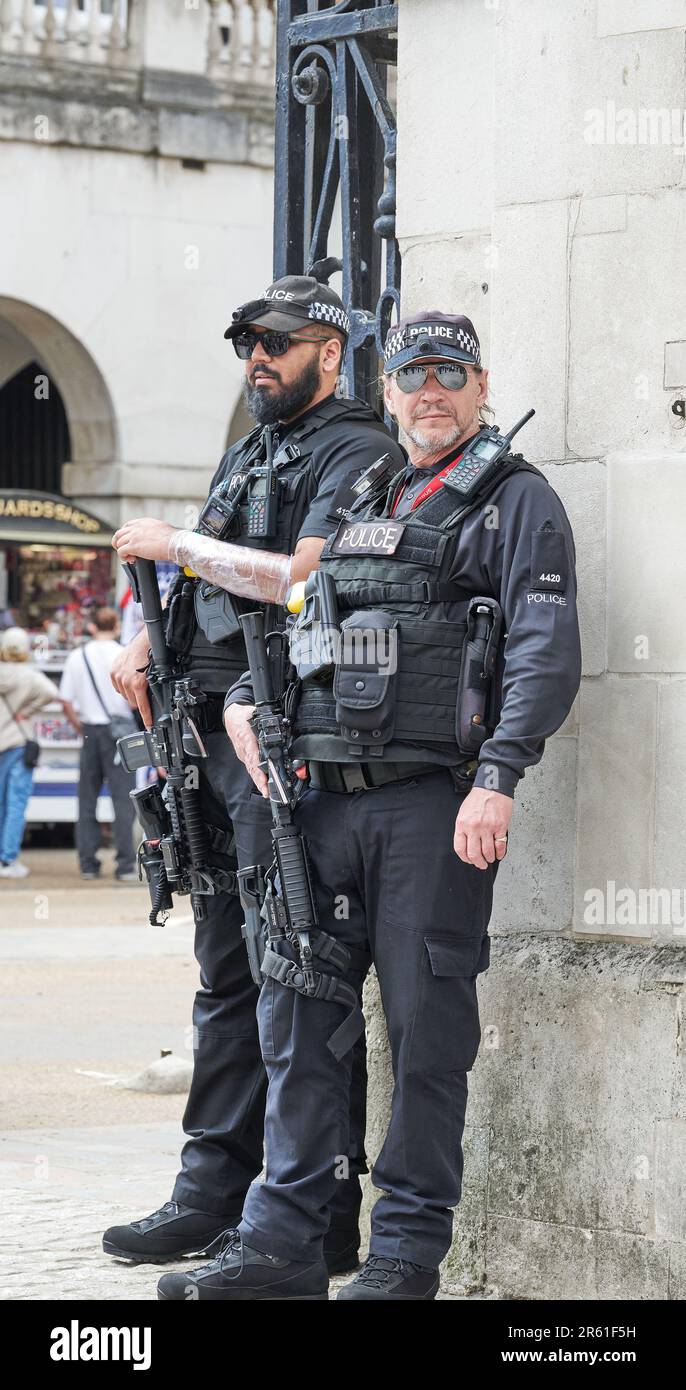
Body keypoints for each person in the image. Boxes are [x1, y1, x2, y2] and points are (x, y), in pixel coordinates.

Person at [159, 308, 583, 1301]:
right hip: (316, 806)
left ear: (480, 386)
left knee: (426, 1035)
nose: (428, 391)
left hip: (430, 809)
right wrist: (240, 705)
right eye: (410, 376)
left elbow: (543, 649)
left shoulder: (515, 501)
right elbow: (301, 622)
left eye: (448, 373)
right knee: (297, 1024)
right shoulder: (359, 490)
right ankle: (282, 1243)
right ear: (386, 391)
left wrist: (497, 775)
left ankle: (401, 1256)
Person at [104, 275, 406, 1271]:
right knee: (226, 975)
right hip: (204, 738)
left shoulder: (359, 448)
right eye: (245, 343)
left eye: (274, 341)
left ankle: (314, 1214)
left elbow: (306, 578)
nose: (256, 358)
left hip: (282, 736)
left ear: (330, 345)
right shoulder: (253, 446)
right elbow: (194, 576)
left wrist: (179, 549)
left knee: (299, 972)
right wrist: (144, 635)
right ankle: (209, 1191)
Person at [59, 607, 137, 882]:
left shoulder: (77, 657)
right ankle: (125, 864)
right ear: (116, 626)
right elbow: (136, 696)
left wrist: (80, 727)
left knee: (87, 800)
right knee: (124, 801)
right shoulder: (124, 654)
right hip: (119, 734)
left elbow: (65, 700)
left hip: (90, 731)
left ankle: (88, 863)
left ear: (91, 626)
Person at [0, 627, 65, 879]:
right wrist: (28, 710)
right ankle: (8, 859)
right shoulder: (28, 675)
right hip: (18, 741)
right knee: (16, 803)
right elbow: (51, 692)